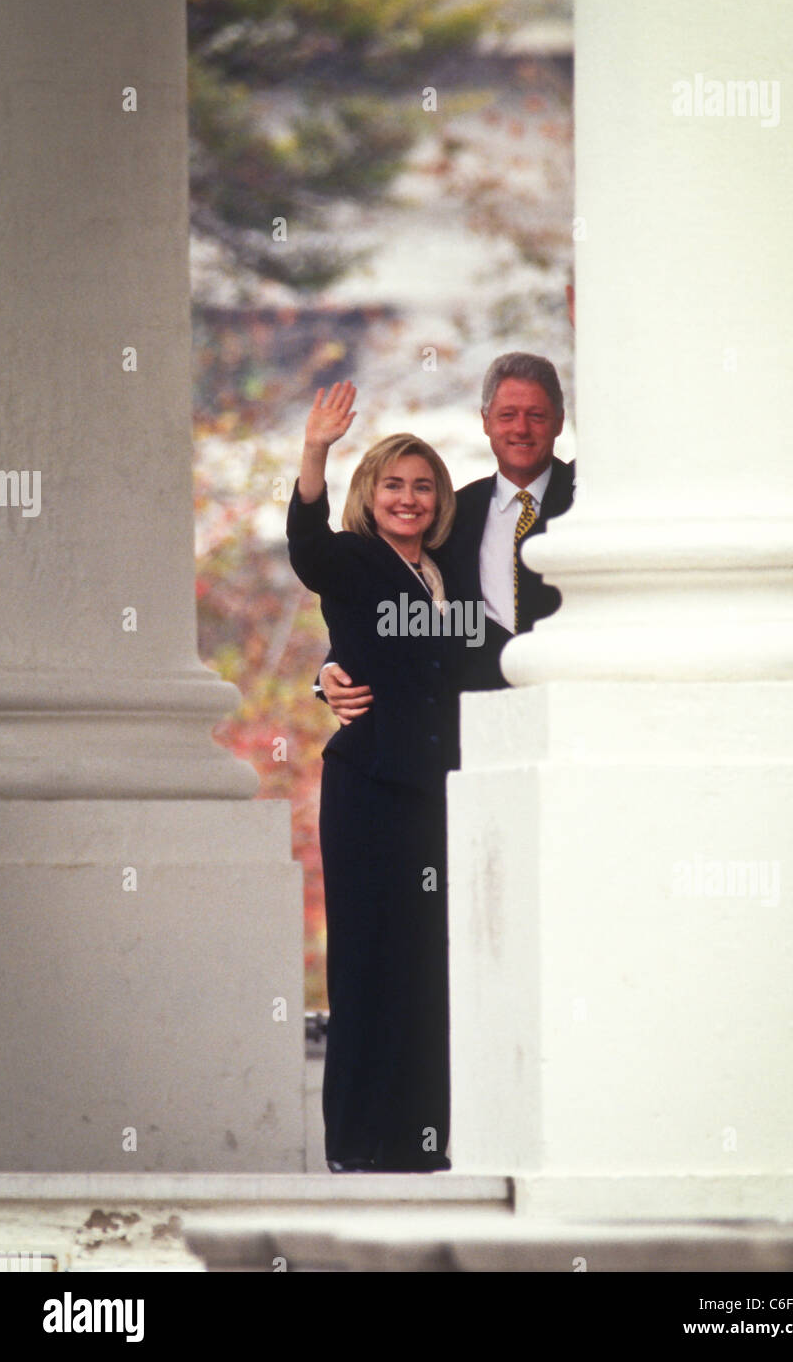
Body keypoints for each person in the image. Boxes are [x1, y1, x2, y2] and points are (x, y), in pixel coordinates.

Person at [287, 381, 472, 1173]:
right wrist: (315, 451)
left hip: (437, 791)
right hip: (367, 789)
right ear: (371, 494)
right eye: (393, 484)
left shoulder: (448, 573)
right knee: (365, 958)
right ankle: (357, 1144)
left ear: (438, 500)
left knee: (427, 962)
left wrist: (323, 670)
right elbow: (306, 550)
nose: (408, 497)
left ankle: (421, 1140)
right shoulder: (356, 560)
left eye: (422, 485)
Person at [320, 351, 575, 715]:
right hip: (475, 717)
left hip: (572, 700)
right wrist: (332, 668)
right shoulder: (451, 515)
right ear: (485, 421)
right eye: (507, 415)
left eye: (536, 416)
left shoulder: (589, 497)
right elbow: (392, 595)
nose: (521, 428)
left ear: (560, 422)